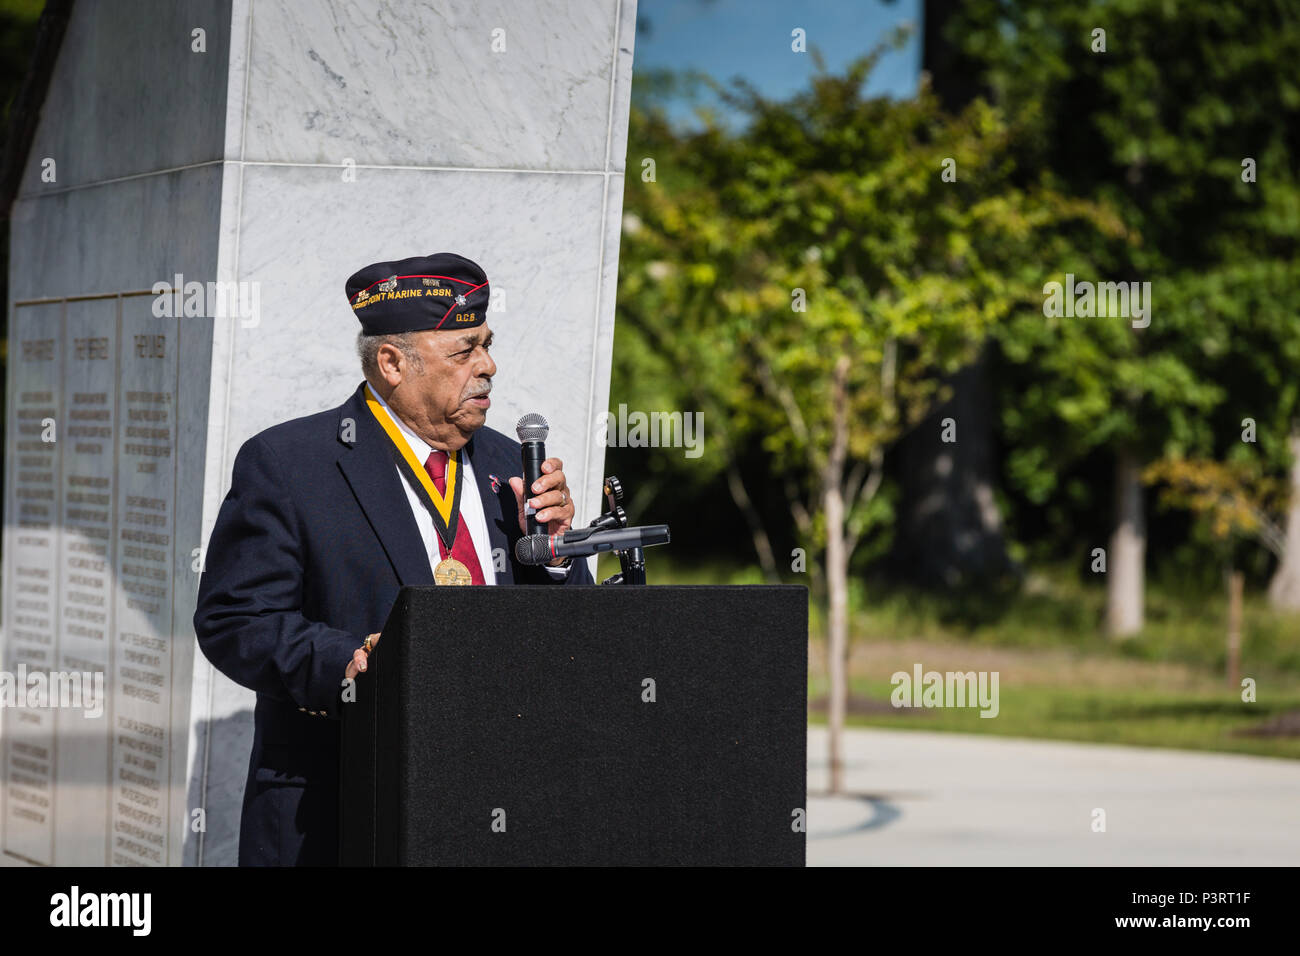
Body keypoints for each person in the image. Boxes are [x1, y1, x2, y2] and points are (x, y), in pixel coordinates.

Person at [193, 252, 593, 866]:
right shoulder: (291, 463)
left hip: (495, 807)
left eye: (487, 345)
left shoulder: (509, 463)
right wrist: (346, 663)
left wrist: (558, 553)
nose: (488, 367)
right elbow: (234, 619)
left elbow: (572, 634)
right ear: (392, 363)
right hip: (342, 807)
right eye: (464, 352)